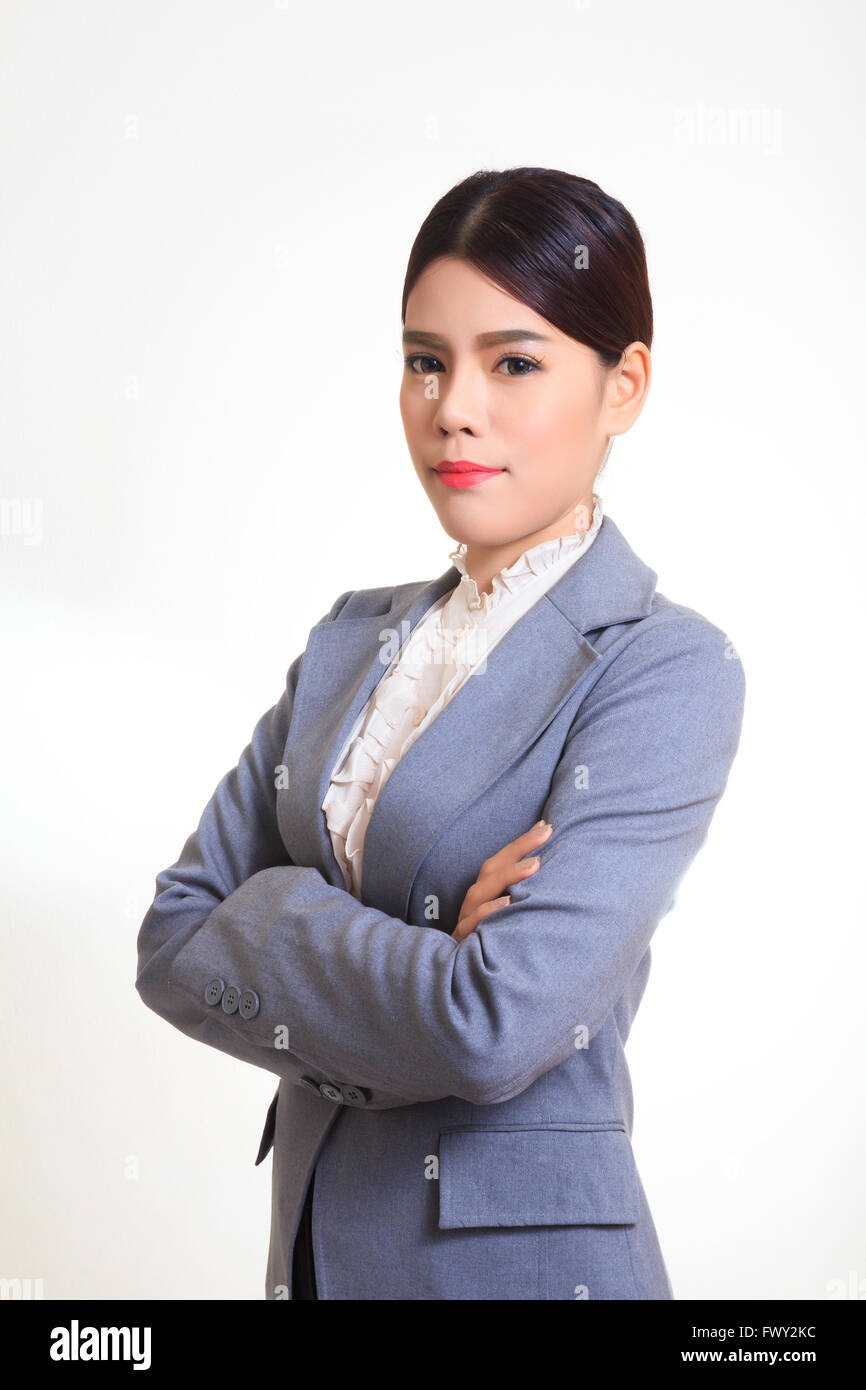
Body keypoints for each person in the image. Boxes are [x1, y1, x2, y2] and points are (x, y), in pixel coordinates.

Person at [136, 167, 746, 1300]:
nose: (452, 406)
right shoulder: (344, 643)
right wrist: (417, 946)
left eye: (512, 362)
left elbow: (492, 1025)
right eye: (425, 360)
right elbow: (172, 943)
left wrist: (265, 909)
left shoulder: (662, 667)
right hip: (316, 1257)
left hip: (516, 1269)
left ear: (623, 386)